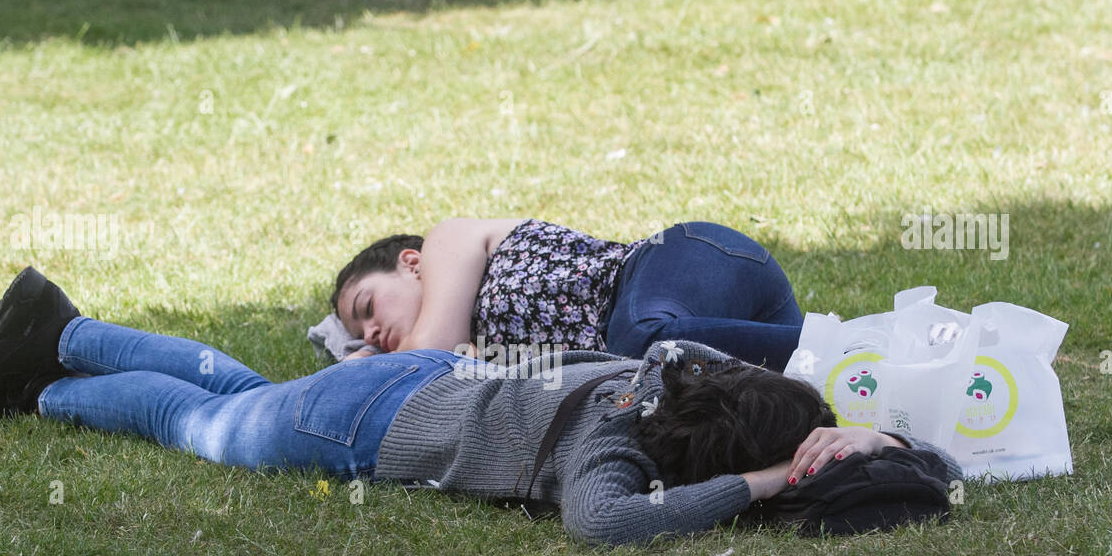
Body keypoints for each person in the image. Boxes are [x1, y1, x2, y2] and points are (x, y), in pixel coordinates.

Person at [0, 268, 962, 547]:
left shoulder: (668, 365)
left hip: (422, 378)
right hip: (376, 428)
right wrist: (770, 477)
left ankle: (62, 331)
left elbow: (927, 467)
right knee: (201, 424)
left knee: (248, 390)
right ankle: (53, 381)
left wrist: (859, 430)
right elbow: (605, 528)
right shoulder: (614, 455)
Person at [330, 218, 805, 369]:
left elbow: (428, 349)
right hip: (738, 335)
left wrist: (363, 364)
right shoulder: (465, 354)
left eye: (366, 307)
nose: (370, 332)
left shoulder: (446, 241)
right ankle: (842, 361)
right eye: (362, 335)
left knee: (641, 346)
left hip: (686, 265)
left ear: (409, 264)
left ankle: (854, 343)